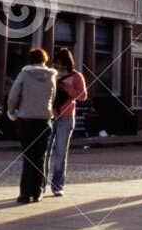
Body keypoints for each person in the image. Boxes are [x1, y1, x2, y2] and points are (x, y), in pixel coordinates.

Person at [7, 49, 57, 204]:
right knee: (40, 157)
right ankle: (37, 192)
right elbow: (53, 97)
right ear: (44, 60)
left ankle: (24, 194)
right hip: (44, 120)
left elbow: (13, 95)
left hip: (26, 119)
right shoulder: (51, 77)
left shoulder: (24, 74)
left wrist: (11, 112)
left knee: (28, 156)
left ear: (30, 60)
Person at [48, 48, 87, 197]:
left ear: (67, 63)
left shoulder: (76, 76)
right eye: (57, 63)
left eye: (61, 63)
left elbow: (83, 95)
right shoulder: (52, 74)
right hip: (50, 115)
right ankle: (40, 184)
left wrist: (67, 88)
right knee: (44, 153)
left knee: (60, 153)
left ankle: (57, 186)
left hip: (66, 117)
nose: (59, 66)